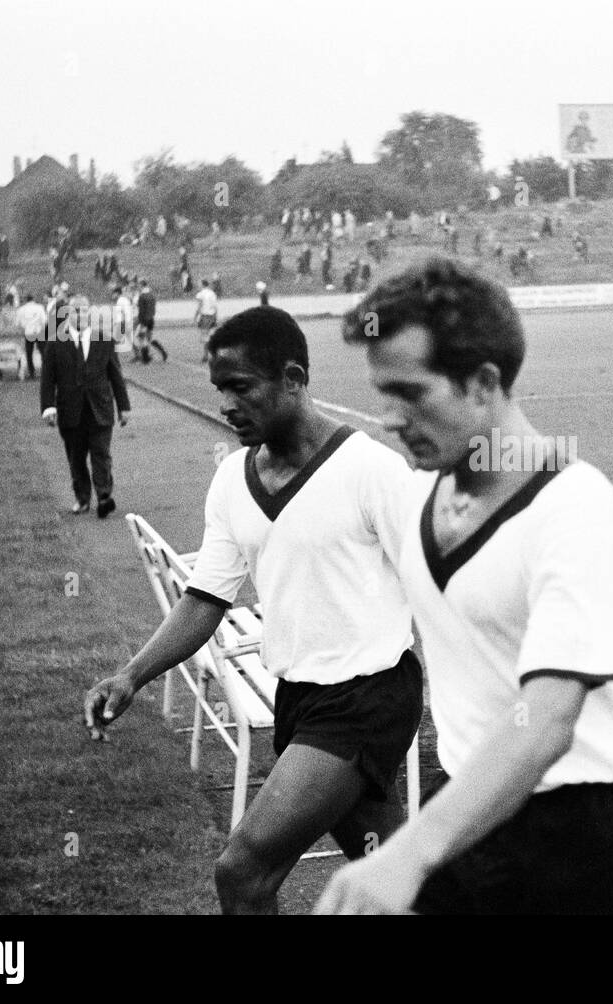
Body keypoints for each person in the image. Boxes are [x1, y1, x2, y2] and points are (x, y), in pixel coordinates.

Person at [318, 257, 613, 915]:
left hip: (588, 841)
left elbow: (546, 720)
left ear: (484, 382)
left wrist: (408, 850)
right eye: (383, 396)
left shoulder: (575, 510)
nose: (389, 418)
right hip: (470, 813)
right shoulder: (419, 495)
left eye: (411, 394)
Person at [84, 306, 423, 914]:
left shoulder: (371, 471)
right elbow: (206, 598)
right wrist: (132, 674)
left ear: (293, 379)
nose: (227, 405)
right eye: (221, 391)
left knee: (243, 872)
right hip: (296, 696)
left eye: (241, 388)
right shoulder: (232, 480)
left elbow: (436, 586)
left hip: (368, 699)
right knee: (396, 883)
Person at [40, 295, 130, 518]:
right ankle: (82, 499)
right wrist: (48, 407)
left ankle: (104, 497)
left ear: (91, 313)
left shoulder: (105, 339)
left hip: (100, 409)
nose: (80, 315)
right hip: (70, 411)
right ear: (67, 314)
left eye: (84, 310)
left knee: (101, 454)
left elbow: (116, 375)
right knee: (76, 457)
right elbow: (47, 380)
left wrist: (124, 407)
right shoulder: (54, 343)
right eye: (75, 311)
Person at [17, 293, 49, 380]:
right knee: (43, 352)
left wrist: (25, 328)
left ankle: (32, 372)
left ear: (26, 300)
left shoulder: (21, 309)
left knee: (29, 353)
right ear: (33, 299)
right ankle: (45, 371)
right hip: (38, 331)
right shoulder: (39, 307)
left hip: (28, 332)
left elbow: (18, 323)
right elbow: (45, 320)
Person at [134, 279, 165, 363]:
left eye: (139, 285)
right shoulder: (152, 295)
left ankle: (145, 358)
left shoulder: (142, 296)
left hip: (144, 320)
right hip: (151, 319)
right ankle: (162, 352)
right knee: (148, 338)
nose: (138, 287)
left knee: (141, 337)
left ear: (141, 285)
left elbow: (141, 310)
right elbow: (154, 309)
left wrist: (140, 321)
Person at [195, 279, 219, 363]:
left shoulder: (200, 294)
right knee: (211, 335)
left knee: (205, 337)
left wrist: (195, 317)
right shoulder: (212, 293)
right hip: (212, 316)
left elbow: (199, 306)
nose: (198, 285)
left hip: (205, 316)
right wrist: (216, 316)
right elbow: (215, 306)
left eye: (199, 284)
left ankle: (205, 355)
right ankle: (214, 354)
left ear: (202, 285)